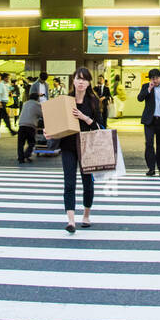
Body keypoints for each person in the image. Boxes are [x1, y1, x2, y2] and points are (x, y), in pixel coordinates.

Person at [60, 67, 100, 233]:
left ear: (89, 82)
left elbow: (100, 126)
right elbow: (57, 122)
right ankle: (71, 220)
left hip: (87, 146)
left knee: (87, 183)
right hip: (68, 145)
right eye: (78, 78)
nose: (81, 82)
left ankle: (86, 215)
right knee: (69, 182)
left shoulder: (93, 101)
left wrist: (85, 118)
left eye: (85, 79)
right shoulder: (66, 100)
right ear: (73, 81)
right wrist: (50, 132)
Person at [18, 90, 43, 163]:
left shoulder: (25, 103)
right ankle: (27, 154)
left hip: (21, 125)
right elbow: (41, 114)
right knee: (31, 142)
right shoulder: (37, 104)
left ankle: (20, 158)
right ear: (37, 98)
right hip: (30, 126)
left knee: (20, 143)